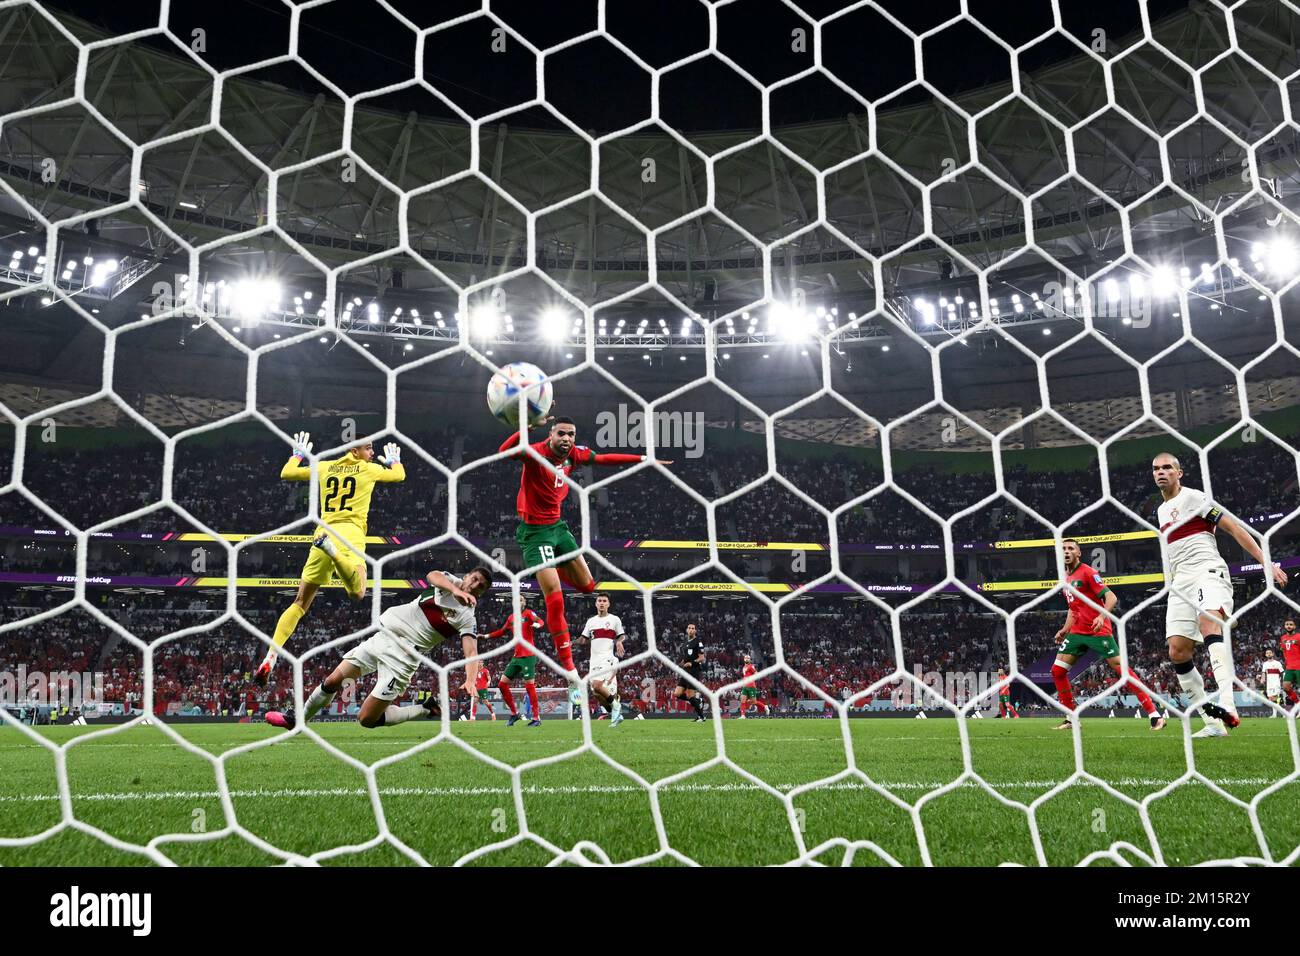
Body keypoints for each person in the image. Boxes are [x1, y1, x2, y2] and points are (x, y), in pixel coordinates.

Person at [498, 416, 670, 694]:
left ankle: (548, 566)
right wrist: (527, 428)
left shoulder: (573, 455)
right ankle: (569, 670)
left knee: (588, 586)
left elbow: (603, 459)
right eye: (561, 433)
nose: (567, 438)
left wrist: (642, 458)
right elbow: (504, 451)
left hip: (558, 528)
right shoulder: (536, 453)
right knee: (555, 598)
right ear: (551, 434)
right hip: (535, 533)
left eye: (571, 434)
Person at [1152, 453, 1287, 737]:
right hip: (1180, 583)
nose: (1161, 472)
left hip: (1207, 570)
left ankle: (1228, 705)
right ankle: (1212, 723)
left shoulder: (1195, 498)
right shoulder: (1161, 511)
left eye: (1167, 468)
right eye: (1156, 469)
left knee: (1208, 623)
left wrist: (1267, 564)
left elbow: (1233, 528)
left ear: (1179, 473)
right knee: (1177, 651)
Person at [256, 431, 405, 685]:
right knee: (357, 592)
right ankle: (335, 554)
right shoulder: (369, 470)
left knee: (300, 602)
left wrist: (297, 456)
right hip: (351, 534)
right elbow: (399, 476)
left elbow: (287, 473)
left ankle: (271, 654)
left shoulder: (325, 467)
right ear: (355, 451)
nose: (372, 453)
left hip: (323, 532)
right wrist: (394, 462)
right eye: (368, 448)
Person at [264, 566, 489, 729]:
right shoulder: (448, 581)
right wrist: (456, 590)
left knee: (367, 719)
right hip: (383, 638)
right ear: (466, 576)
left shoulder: (467, 617)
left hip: (404, 658)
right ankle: (298, 720)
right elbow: (432, 575)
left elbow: (471, 651)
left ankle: (425, 708)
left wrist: (470, 679)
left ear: (481, 593)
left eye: (481, 586)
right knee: (333, 681)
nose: (476, 585)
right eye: (475, 578)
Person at [1051, 539, 1164, 731]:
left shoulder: (1088, 572)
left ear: (1078, 553)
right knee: (1057, 671)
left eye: (1071, 548)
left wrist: (1102, 616)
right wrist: (1064, 629)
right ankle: (1071, 718)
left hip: (1098, 630)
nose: (1066, 551)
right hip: (1077, 632)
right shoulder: (1065, 579)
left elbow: (1111, 597)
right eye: (1063, 549)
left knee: (1122, 670)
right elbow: (1073, 609)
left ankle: (1154, 715)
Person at [484, 603, 547, 727]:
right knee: (502, 684)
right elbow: (501, 631)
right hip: (517, 657)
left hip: (528, 655)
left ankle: (536, 718)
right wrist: (486, 636)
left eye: (521, 600)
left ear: (524, 603)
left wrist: (537, 624)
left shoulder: (528, 613)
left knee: (529, 686)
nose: (519, 601)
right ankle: (514, 713)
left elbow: (540, 621)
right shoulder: (511, 618)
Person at [577, 592, 627, 726]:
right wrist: (571, 643)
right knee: (596, 692)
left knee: (597, 685)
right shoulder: (591, 621)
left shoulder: (614, 619)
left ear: (608, 604)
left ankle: (616, 706)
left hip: (607, 657)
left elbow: (622, 635)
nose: (602, 603)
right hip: (594, 660)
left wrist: (619, 641)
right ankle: (615, 712)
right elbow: (583, 639)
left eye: (604, 601)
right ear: (596, 604)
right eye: (599, 601)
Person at [672, 623, 707, 722]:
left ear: (695, 631)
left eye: (693, 628)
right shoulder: (685, 643)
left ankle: (701, 717)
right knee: (677, 693)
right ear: (687, 630)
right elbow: (685, 658)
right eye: (689, 628)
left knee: (690, 695)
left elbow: (702, 658)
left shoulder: (698, 642)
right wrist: (679, 665)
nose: (691, 630)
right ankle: (698, 701)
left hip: (694, 671)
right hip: (685, 672)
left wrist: (692, 663)